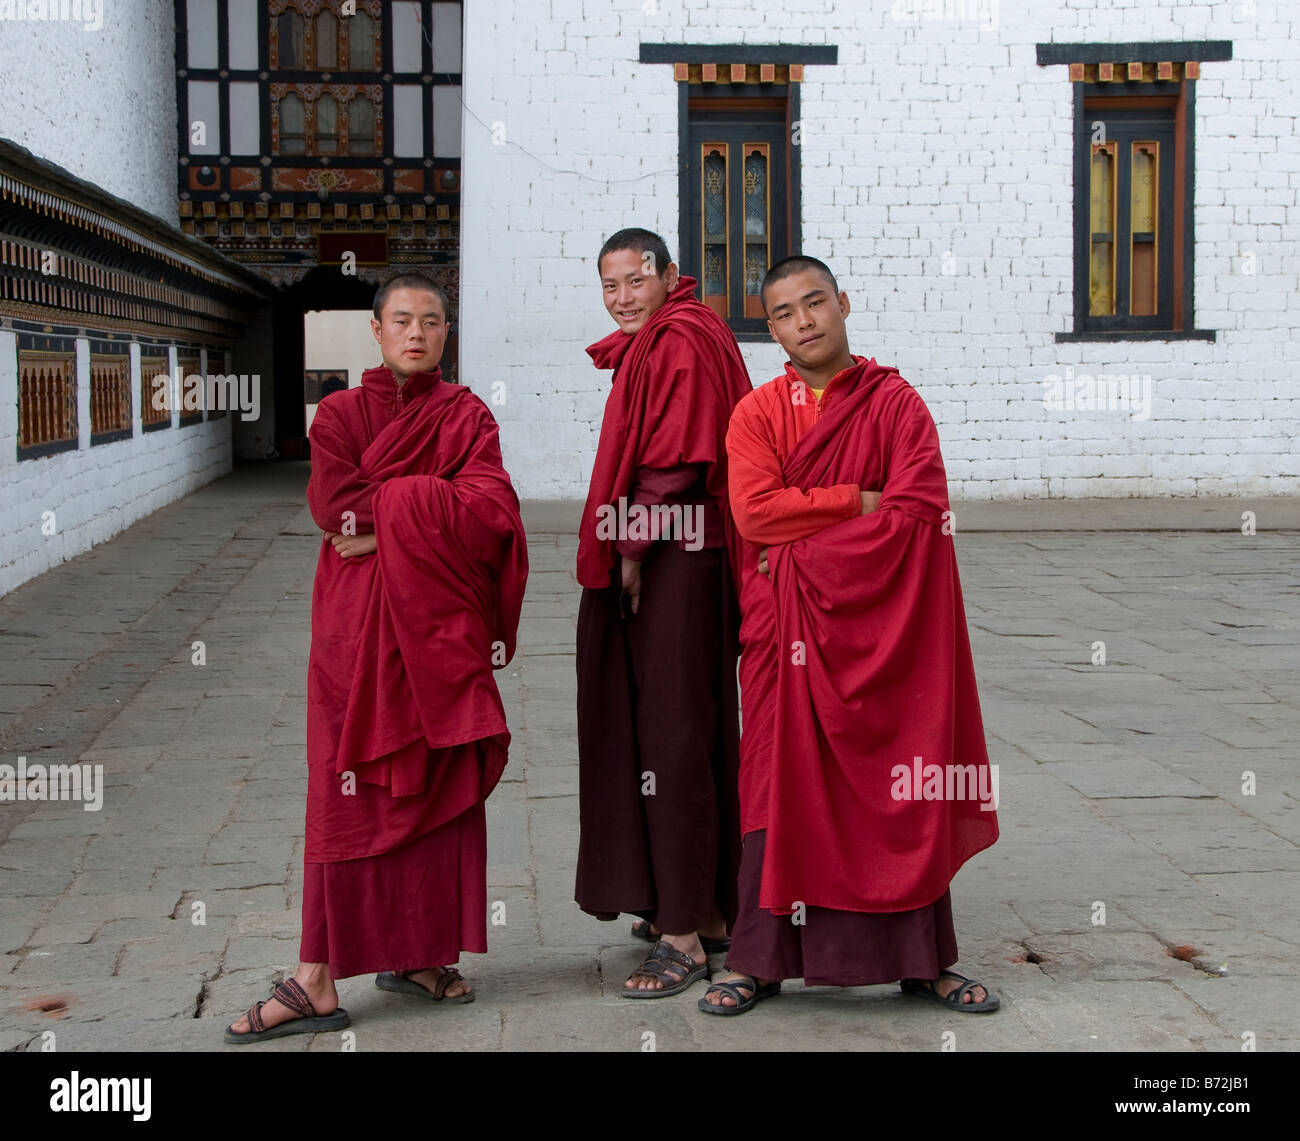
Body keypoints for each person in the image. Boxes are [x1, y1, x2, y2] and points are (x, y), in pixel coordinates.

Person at [225, 273, 528, 1042]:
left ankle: (421, 952)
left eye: (433, 321)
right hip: (356, 634)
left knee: (433, 786)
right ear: (377, 328)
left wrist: (386, 518)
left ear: (447, 333)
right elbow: (334, 507)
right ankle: (316, 976)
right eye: (403, 320)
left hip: (438, 635)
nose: (418, 333)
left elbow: (491, 511)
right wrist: (424, 504)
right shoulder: (340, 414)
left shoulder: (467, 414)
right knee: (344, 793)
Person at [699, 256, 1000, 1015]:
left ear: (843, 303)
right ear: (770, 331)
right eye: (785, 313)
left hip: (880, 631)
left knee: (892, 783)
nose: (805, 322)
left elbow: (918, 513)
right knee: (774, 781)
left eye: (816, 303)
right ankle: (756, 960)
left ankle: (924, 960)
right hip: (784, 635)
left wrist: (806, 544)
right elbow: (755, 514)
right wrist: (854, 500)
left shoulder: (897, 405)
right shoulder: (758, 412)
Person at [574, 228, 752, 998]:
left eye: (634, 280)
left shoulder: (679, 338)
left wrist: (632, 549)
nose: (621, 297)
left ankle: (683, 932)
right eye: (608, 285)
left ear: (670, 277)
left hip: (679, 554)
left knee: (674, 736)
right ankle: (707, 907)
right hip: (684, 552)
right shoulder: (666, 338)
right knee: (683, 729)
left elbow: (678, 460)